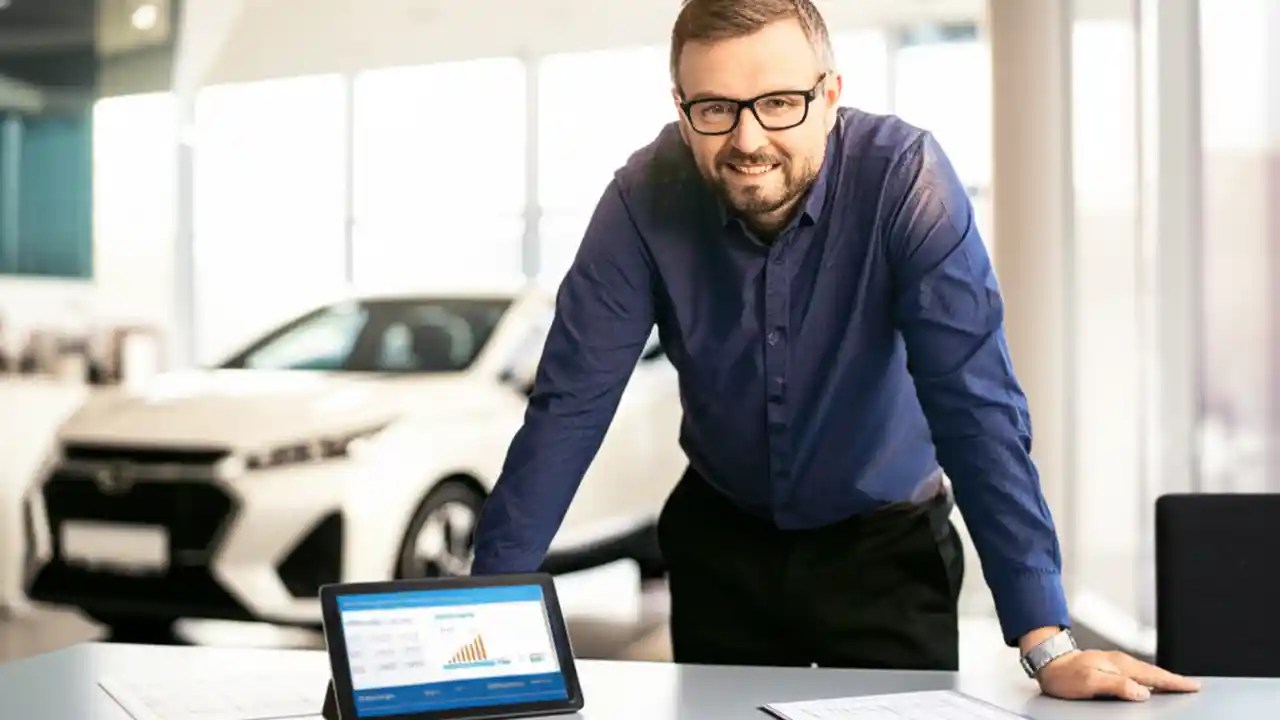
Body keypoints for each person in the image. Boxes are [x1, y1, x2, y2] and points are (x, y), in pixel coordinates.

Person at [471, 0, 1201, 703]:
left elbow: (975, 406)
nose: (748, 139)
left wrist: (1048, 642)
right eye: (716, 108)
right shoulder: (640, 199)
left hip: (887, 548)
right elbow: (569, 406)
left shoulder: (905, 180)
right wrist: (480, 614)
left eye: (780, 102)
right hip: (722, 545)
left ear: (830, 95)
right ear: (682, 108)